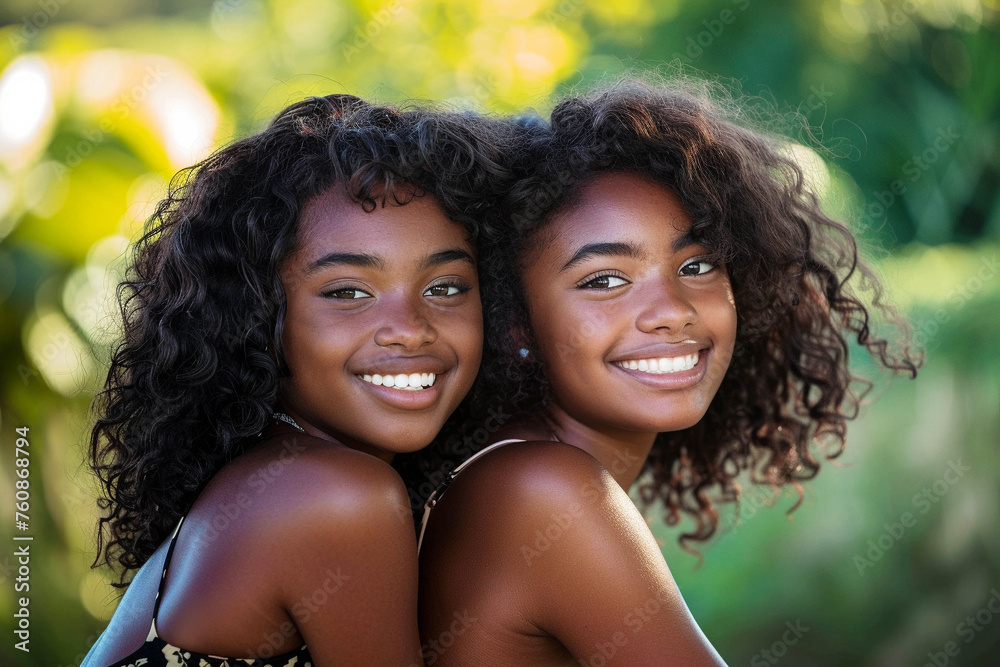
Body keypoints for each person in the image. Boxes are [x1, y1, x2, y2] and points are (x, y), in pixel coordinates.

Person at [411, 79, 920, 666]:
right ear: (514, 324)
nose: (673, 311)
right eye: (605, 279)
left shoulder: (519, 473)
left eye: (698, 263)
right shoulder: (542, 491)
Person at [83, 94, 512, 667]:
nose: (410, 331)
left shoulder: (276, 475)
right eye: (347, 292)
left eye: (446, 287)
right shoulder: (335, 496)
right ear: (258, 319)